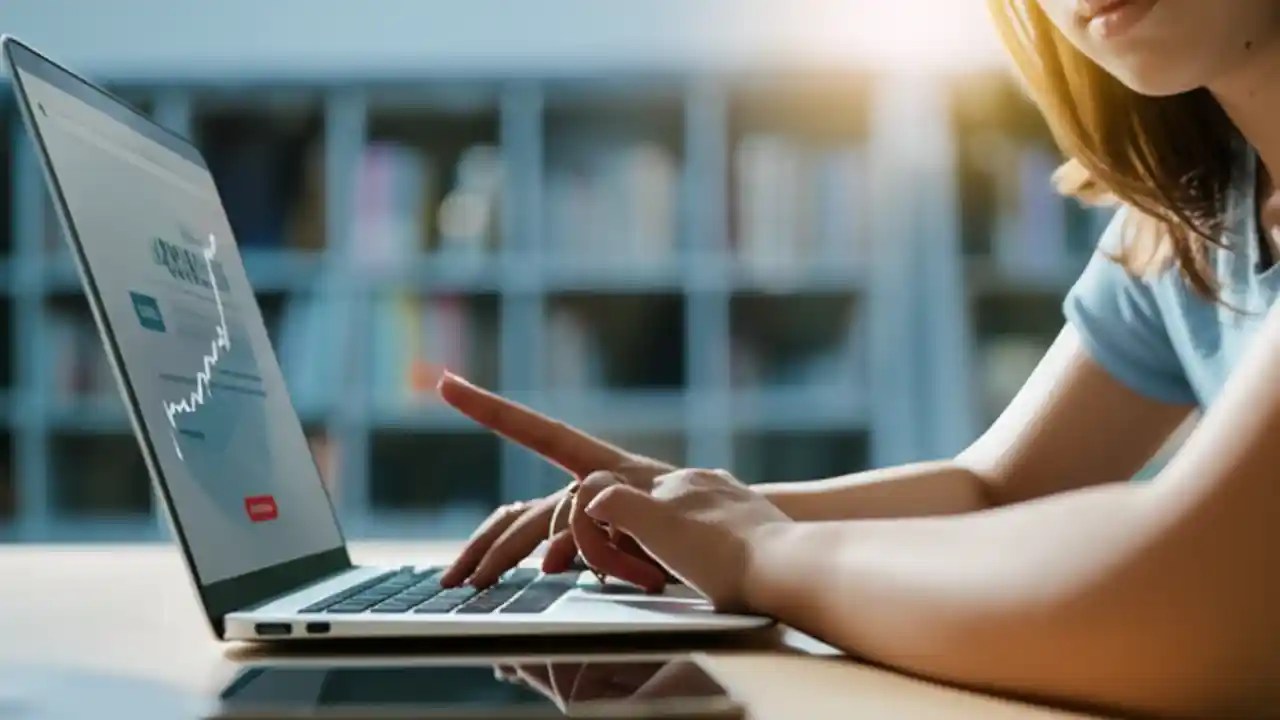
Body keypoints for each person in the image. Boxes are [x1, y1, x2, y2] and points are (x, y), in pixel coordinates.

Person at [434, 0, 1280, 715]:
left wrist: (765, 556)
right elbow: (994, 492)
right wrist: (698, 514)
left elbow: (1192, 599)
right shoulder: (1188, 223)